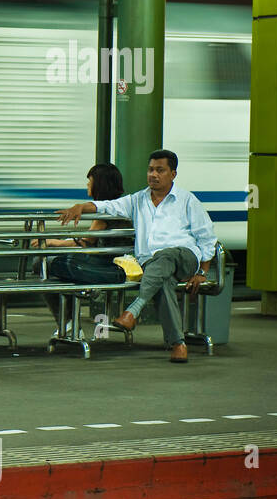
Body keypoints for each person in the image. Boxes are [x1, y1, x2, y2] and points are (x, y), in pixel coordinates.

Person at [57, 149, 217, 363]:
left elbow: (206, 237)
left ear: (173, 174)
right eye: (151, 170)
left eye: (160, 170)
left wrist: (201, 272)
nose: (153, 174)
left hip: (184, 257)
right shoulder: (137, 200)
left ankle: (134, 310)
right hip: (153, 265)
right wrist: (81, 207)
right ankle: (178, 344)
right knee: (163, 281)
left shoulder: (187, 201)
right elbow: (107, 205)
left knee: (166, 255)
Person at [35, 163, 127, 320]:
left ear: (99, 183)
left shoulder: (104, 212)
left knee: (42, 265)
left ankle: (67, 323)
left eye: (90, 180)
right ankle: (70, 323)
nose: (87, 184)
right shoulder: (118, 206)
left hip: (107, 269)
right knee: (53, 270)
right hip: (115, 266)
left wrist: (52, 242)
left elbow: (86, 243)